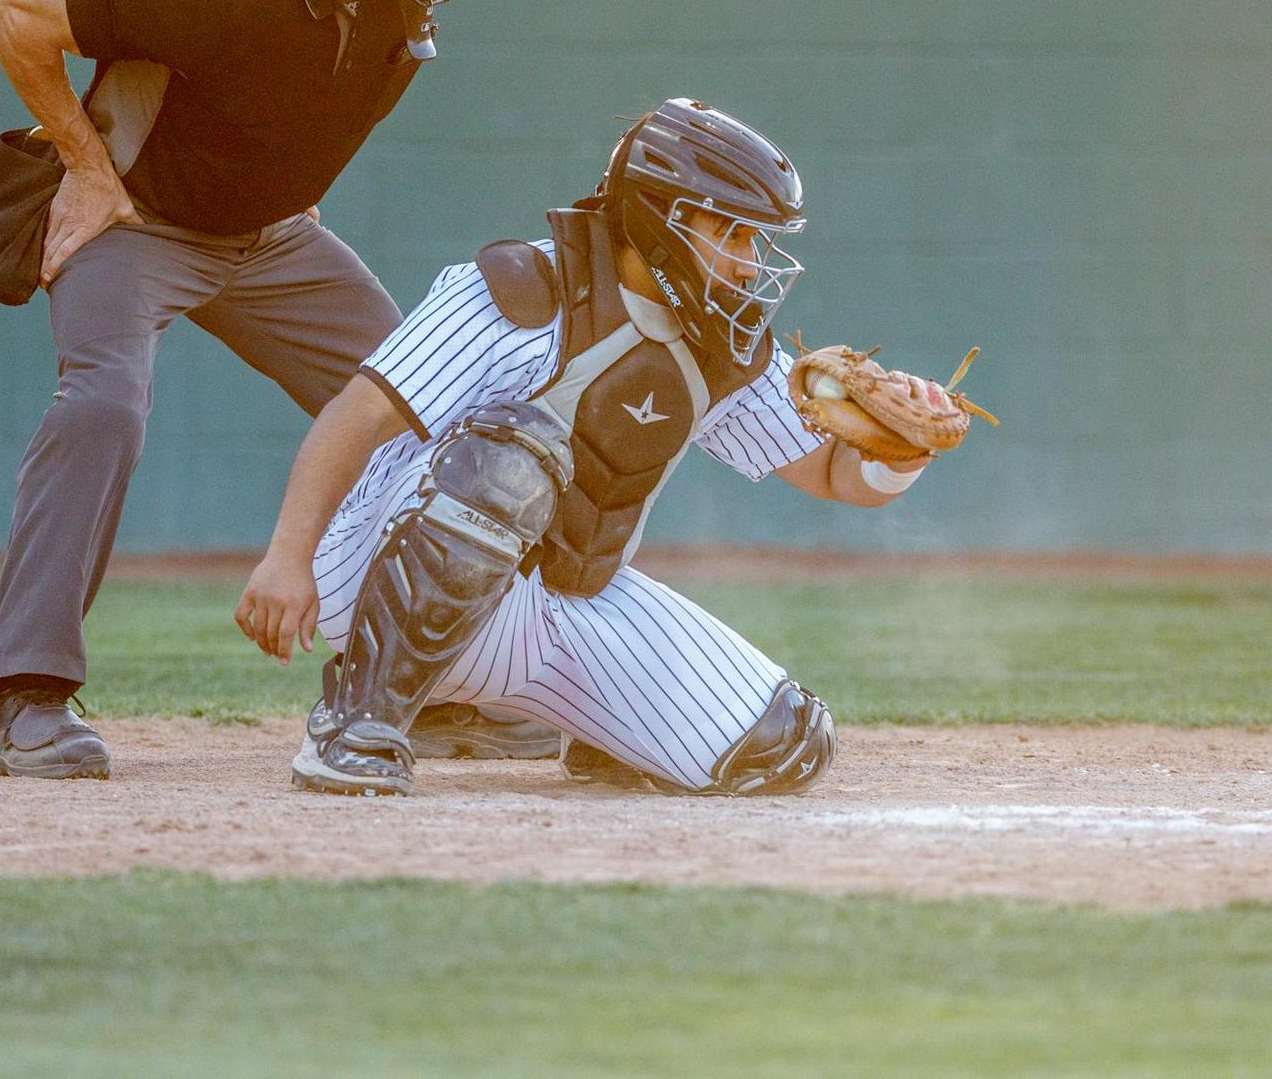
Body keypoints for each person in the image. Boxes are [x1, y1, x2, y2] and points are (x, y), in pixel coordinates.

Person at [0, 0, 531, 780]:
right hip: (136, 220)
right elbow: (6, 2)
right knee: (102, 402)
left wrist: (290, 188)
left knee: (426, 408)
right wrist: (84, 165)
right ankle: (23, 697)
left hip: (269, 238)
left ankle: (424, 685)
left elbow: (320, 86)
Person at [235, 99, 937, 796]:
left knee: (784, 744)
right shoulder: (523, 291)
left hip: (550, 601)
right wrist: (287, 559)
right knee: (513, 459)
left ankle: (533, 719)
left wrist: (905, 453)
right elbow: (353, 417)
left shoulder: (719, 342)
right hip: (366, 570)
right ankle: (359, 721)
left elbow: (834, 473)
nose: (751, 265)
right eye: (733, 233)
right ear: (663, 219)